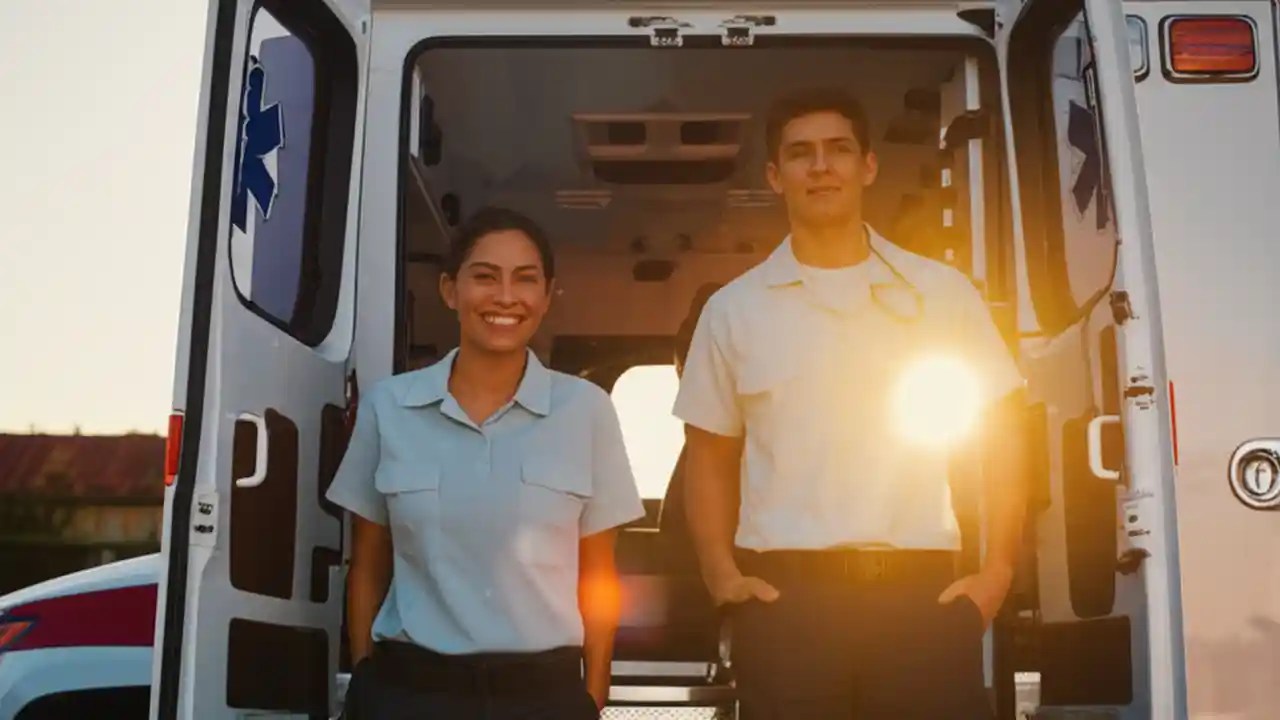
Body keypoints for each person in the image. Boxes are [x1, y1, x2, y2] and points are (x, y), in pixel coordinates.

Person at [673, 87, 1028, 719]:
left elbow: (1003, 435)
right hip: (788, 606)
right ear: (775, 176)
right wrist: (721, 577)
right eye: (801, 154)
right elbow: (709, 456)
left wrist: (996, 572)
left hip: (924, 599)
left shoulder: (941, 293)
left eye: (838, 150)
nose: (821, 167)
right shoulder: (734, 310)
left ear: (868, 166)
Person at [327, 206, 645, 719]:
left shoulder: (587, 410)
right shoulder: (389, 407)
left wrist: (593, 695)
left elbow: (599, 573)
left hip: (542, 696)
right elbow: (367, 561)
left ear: (546, 295)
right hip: (408, 692)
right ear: (450, 291)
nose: (505, 297)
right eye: (484, 277)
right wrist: (366, 679)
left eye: (525, 279)